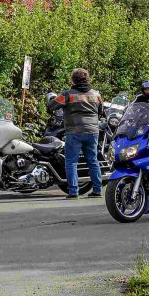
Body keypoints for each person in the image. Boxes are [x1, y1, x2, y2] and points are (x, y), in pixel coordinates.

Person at [58, 68, 107, 199]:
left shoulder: (68, 94)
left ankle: (73, 191)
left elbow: (51, 105)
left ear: (73, 80)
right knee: (93, 160)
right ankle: (97, 190)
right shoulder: (96, 95)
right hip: (92, 132)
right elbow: (101, 111)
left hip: (74, 132)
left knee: (71, 162)